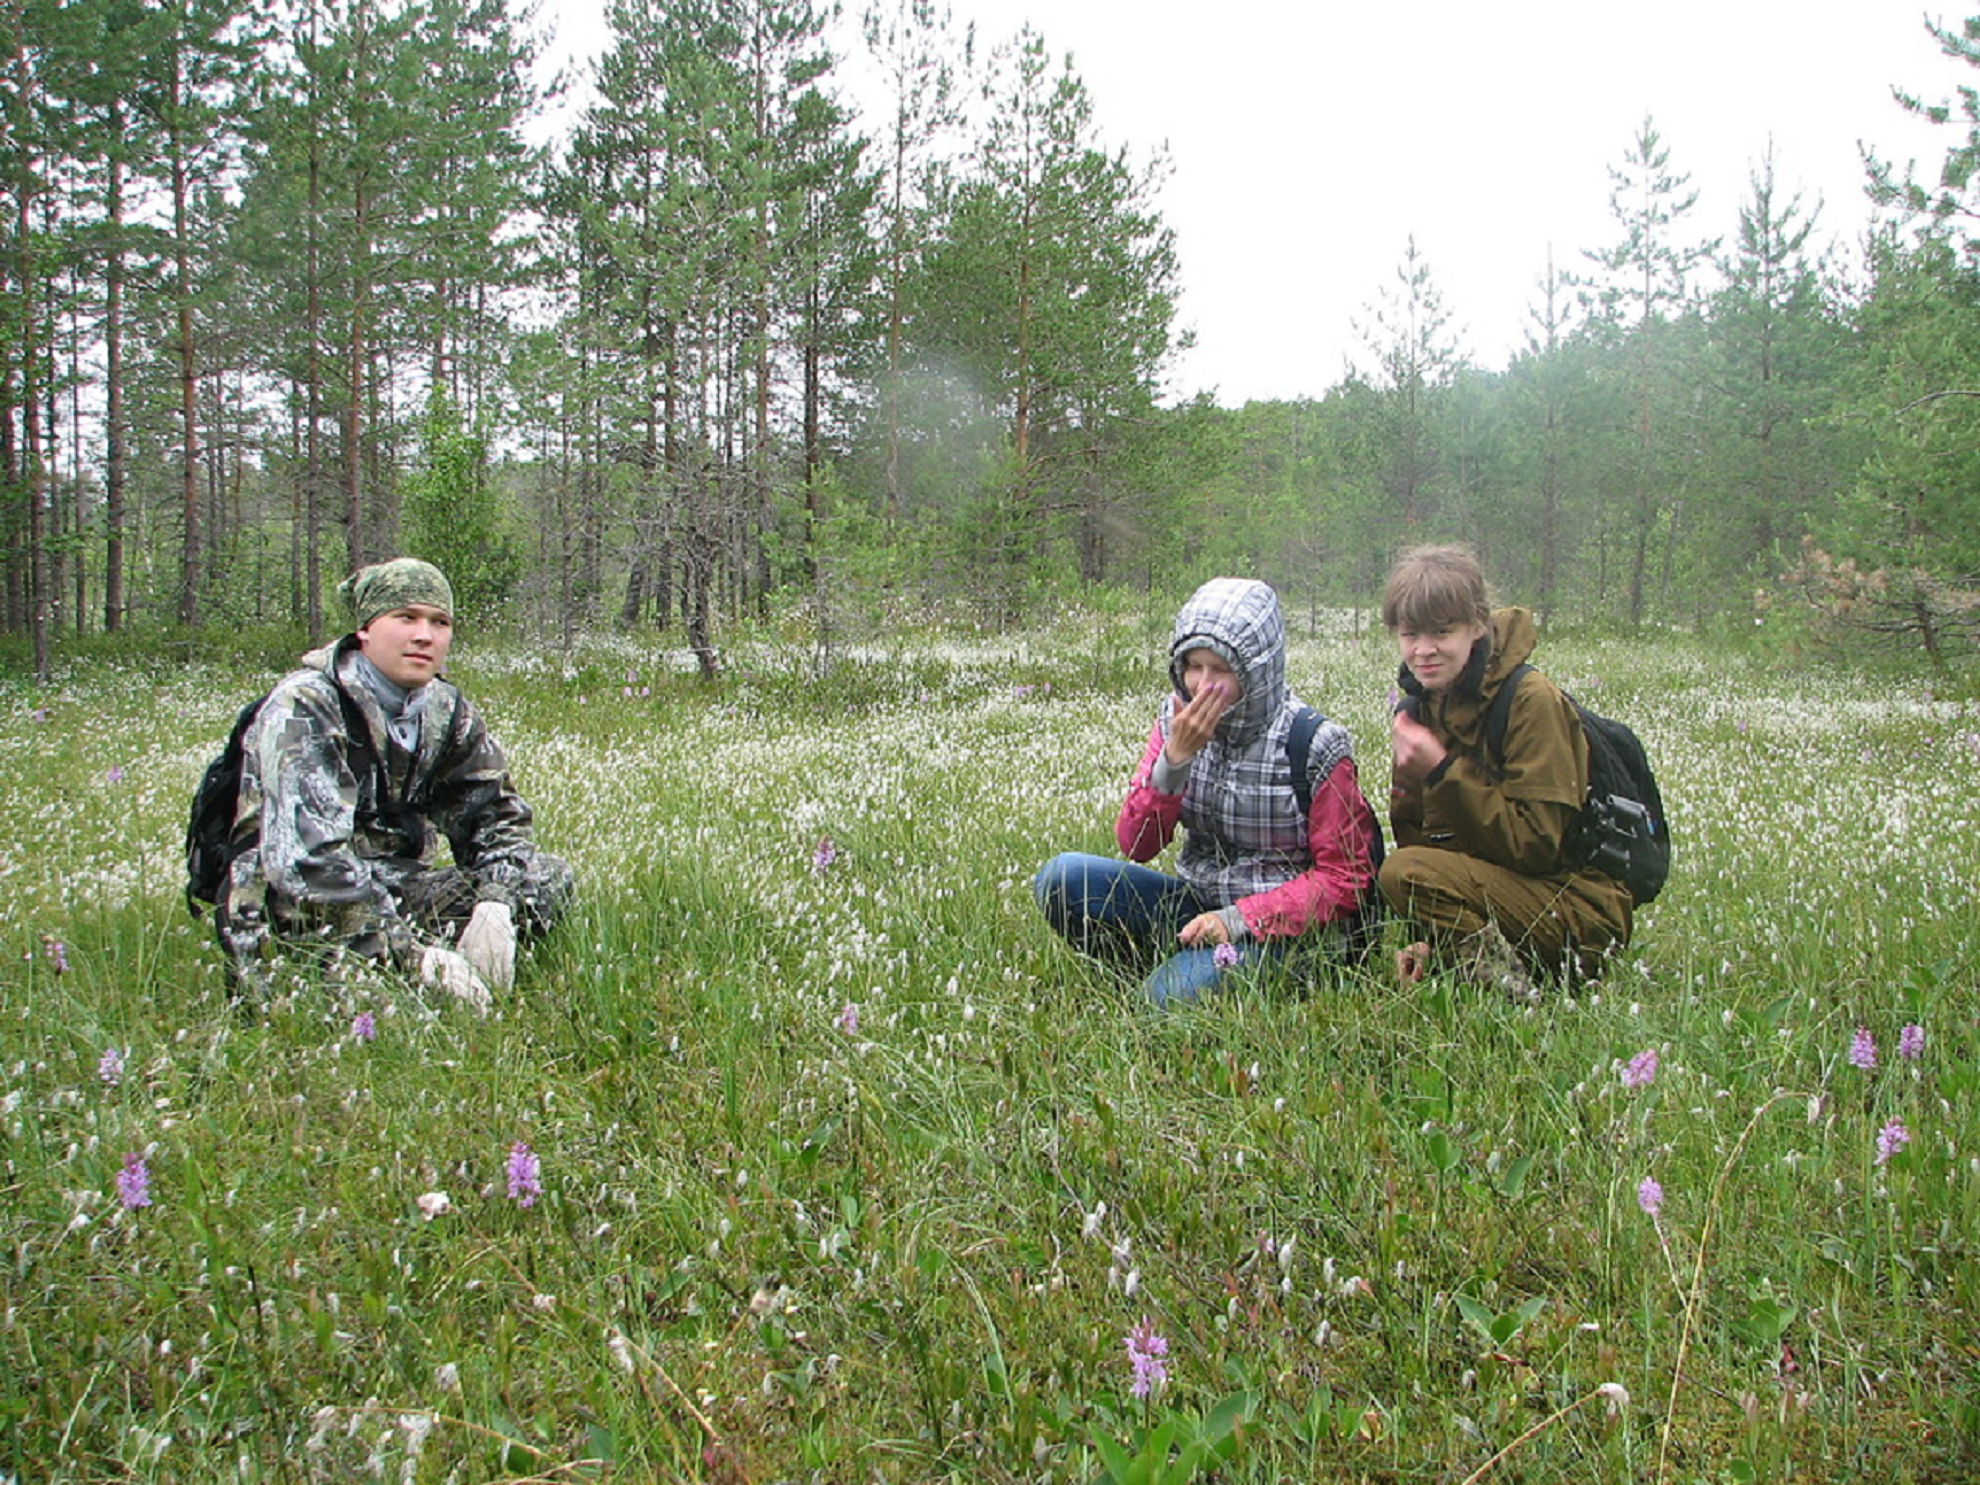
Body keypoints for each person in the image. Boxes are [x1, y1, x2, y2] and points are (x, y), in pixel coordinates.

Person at [217, 558, 573, 1007]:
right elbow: (308, 866)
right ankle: (411, 974)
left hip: (394, 883)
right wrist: (412, 955)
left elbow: (496, 815)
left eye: (439, 621)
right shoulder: (305, 706)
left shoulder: (445, 711)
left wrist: (496, 904)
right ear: (365, 629)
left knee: (546, 877)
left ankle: (462, 967)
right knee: (353, 1010)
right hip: (297, 905)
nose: (424, 634)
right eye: (406, 617)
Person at [1033, 577, 1382, 1006]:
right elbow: (1137, 846)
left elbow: (1345, 880)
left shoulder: (1313, 743)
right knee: (1062, 878)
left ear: (1257, 671)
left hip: (1283, 929)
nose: (1202, 685)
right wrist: (1173, 763)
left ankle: (1185, 983)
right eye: (1193, 666)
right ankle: (1168, 968)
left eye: (1220, 670)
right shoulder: (1175, 721)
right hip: (1197, 904)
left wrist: (1239, 919)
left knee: (1164, 1004)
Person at [1379, 544, 1630, 1000]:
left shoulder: (1531, 700)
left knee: (1404, 871)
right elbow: (1425, 841)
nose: (1424, 650)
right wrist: (1432, 936)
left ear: (1478, 625)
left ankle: (1512, 996)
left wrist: (1442, 771)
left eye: (1442, 631)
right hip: (1510, 895)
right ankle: (1477, 970)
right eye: (1410, 633)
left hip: (1576, 907)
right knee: (1400, 872)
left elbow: (1538, 845)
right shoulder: (1422, 706)